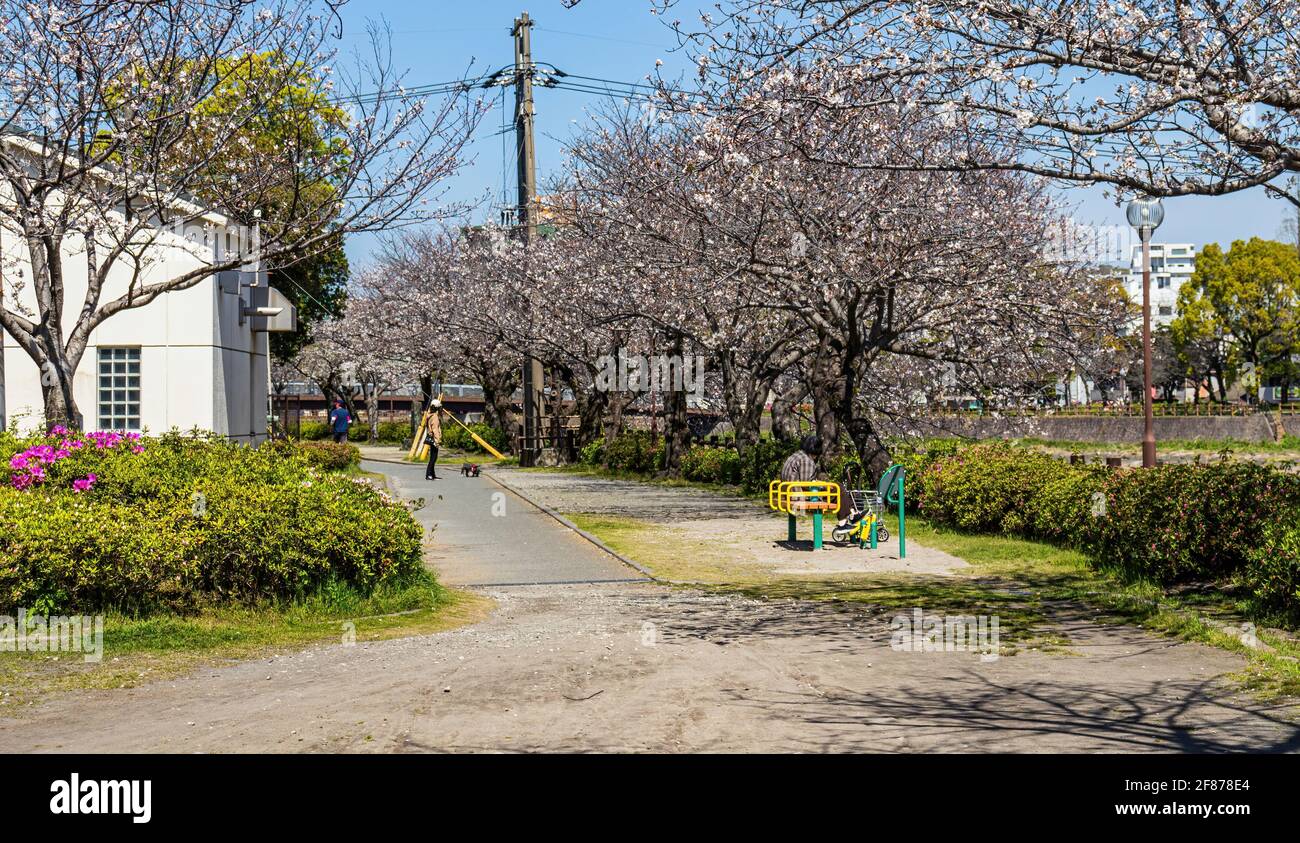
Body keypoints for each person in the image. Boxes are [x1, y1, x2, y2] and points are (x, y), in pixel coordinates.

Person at [424, 400, 444, 481]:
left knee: (432, 457)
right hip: (434, 439)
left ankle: (432, 475)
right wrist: (437, 440)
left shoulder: (429, 415)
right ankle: (429, 475)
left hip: (430, 438)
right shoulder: (435, 417)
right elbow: (435, 429)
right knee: (433, 458)